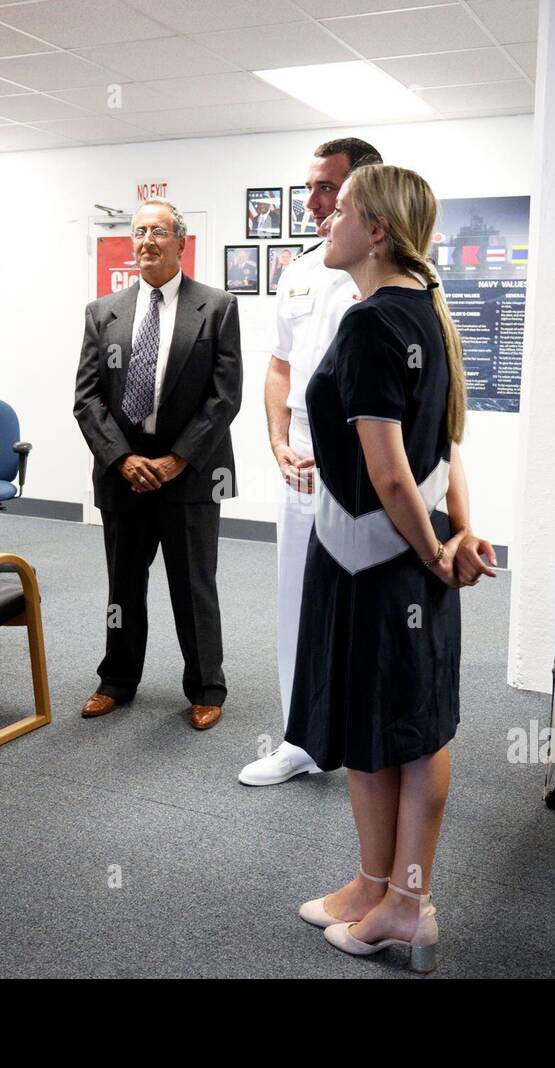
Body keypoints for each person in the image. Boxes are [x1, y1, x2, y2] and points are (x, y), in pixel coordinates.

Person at [288, 164, 497, 972]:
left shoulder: (376, 324)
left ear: (377, 230)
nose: (325, 220)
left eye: (339, 209)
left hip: (382, 562)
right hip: (404, 554)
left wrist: (435, 551)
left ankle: (411, 905)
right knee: (387, 727)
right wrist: (457, 537)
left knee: (407, 730)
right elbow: (448, 452)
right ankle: (376, 883)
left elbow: (392, 475)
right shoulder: (422, 310)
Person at [239, 137, 382, 787]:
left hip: (370, 471)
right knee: (298, 600)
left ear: (364, 190)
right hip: (303, 464)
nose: (316, 200)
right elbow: (278, 366)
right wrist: (276, 442)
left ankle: (371, 734)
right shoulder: (296, 272)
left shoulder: (388, 269)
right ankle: (299, 738)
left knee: (372, 606)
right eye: (312, 188)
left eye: (330, 186)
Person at [74, 198, 243, 730]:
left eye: (159, 232)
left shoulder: (216, 307)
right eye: (139, 231)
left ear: (180, 242)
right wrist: (122, 460)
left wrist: (178, 459)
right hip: (124, 476)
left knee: (193, 585)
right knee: (123, 585)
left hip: (190, 476)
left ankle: (206, 686)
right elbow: (88, 398)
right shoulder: (104, 311)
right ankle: (117, 680)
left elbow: (224, 397)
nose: (147, 240)